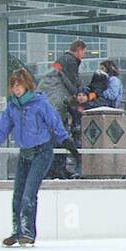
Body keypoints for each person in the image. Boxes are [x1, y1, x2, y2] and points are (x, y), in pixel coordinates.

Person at [0, 68, 80, 247]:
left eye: (19, 85)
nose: (16, 89)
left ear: (27, 85)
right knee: (17, 195)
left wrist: (67, 141)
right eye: (13, 85)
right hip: (25, 154)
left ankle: (28, 232)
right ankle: (17, 230)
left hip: (42, 152)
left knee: (29, 194)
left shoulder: (40, 104)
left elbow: (55, 123)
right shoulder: (13, 107)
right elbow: (2, 128)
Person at [39, 40, 87, 176]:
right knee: (58, 133)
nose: (84, 55)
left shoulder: (62, 60)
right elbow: (72, 83)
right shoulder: (70, 61)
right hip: (55, 102)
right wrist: (80, 99)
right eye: (84, 52)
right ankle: (56, 169)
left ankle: (54, 167)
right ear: (78, 50)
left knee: (54, 133)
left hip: (50, 100)